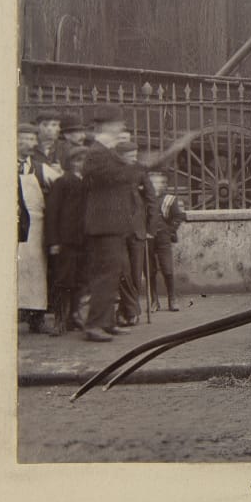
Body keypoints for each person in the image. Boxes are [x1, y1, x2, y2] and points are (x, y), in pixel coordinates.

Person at [80, 105, 137, 343]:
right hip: (104, 225)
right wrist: (139, 167)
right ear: (105, 126)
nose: (121, 127)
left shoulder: (106, 151)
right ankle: (94, 325)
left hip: (111, 224)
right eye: (117, 124)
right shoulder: (97, 152)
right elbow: (114, 176)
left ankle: (107, 322)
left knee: (112, 274)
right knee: (106, 275)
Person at [44, 145, 88, 335]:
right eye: (79, 160)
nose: (83, 164)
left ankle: (74, 317)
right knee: (63, 280)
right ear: (70, 163)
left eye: (86, 160)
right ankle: (60, 320)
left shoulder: (89, 183)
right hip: (65, 241)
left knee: (80, 279)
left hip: (84, 240)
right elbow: (52, 214)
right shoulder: (61, 183)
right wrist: (53, 241)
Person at [114, 138, 154, 325]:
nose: (132, 158)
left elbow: (151, 199)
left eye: (134, 155)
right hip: (118, 230)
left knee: (136, 274)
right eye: (129, 156)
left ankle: (126, 312)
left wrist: (150, 228)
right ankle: (132, 311)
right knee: (123, 272)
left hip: (138, 231)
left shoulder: (141, 170)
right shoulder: (112, 171)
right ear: (120, 156)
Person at [17, 123, 49, 333]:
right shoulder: (0, 164)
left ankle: (37, 318)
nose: (30, 143)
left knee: (36, 272)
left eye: (32, 139)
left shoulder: (39, 167)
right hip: (12, 226)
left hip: (36, 228)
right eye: (25, 138)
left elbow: (62, 184)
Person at [146, 167, 187, 312]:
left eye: (159, 182)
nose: (156, 185)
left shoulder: (169, 199)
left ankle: (172, 299)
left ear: (164, 184)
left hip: (163, 238)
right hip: (147, 238)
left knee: (167, 269)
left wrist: (170, 231)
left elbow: (179, 216)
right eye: (153, 182)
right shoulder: (144, 199)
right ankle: (154, 300)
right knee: (149, 270)